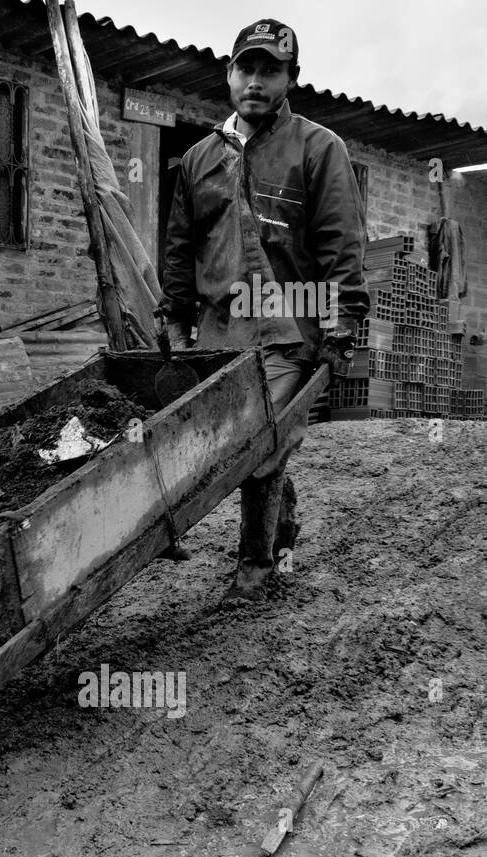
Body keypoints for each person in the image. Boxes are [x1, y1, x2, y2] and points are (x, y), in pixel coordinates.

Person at [157, 17, 368, 602]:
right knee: (222, 442)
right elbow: (180, 246)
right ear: (229, 74)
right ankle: (281, 515)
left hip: (288, 324)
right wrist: (174, 316)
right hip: (221, 329)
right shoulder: (199, 159)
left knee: (257, 447)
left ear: (291, 79)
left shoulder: (320, 148)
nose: (256, 80)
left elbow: (340, 242)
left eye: (270, 70)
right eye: (246, 68)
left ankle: (255, 569)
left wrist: (341, 321)